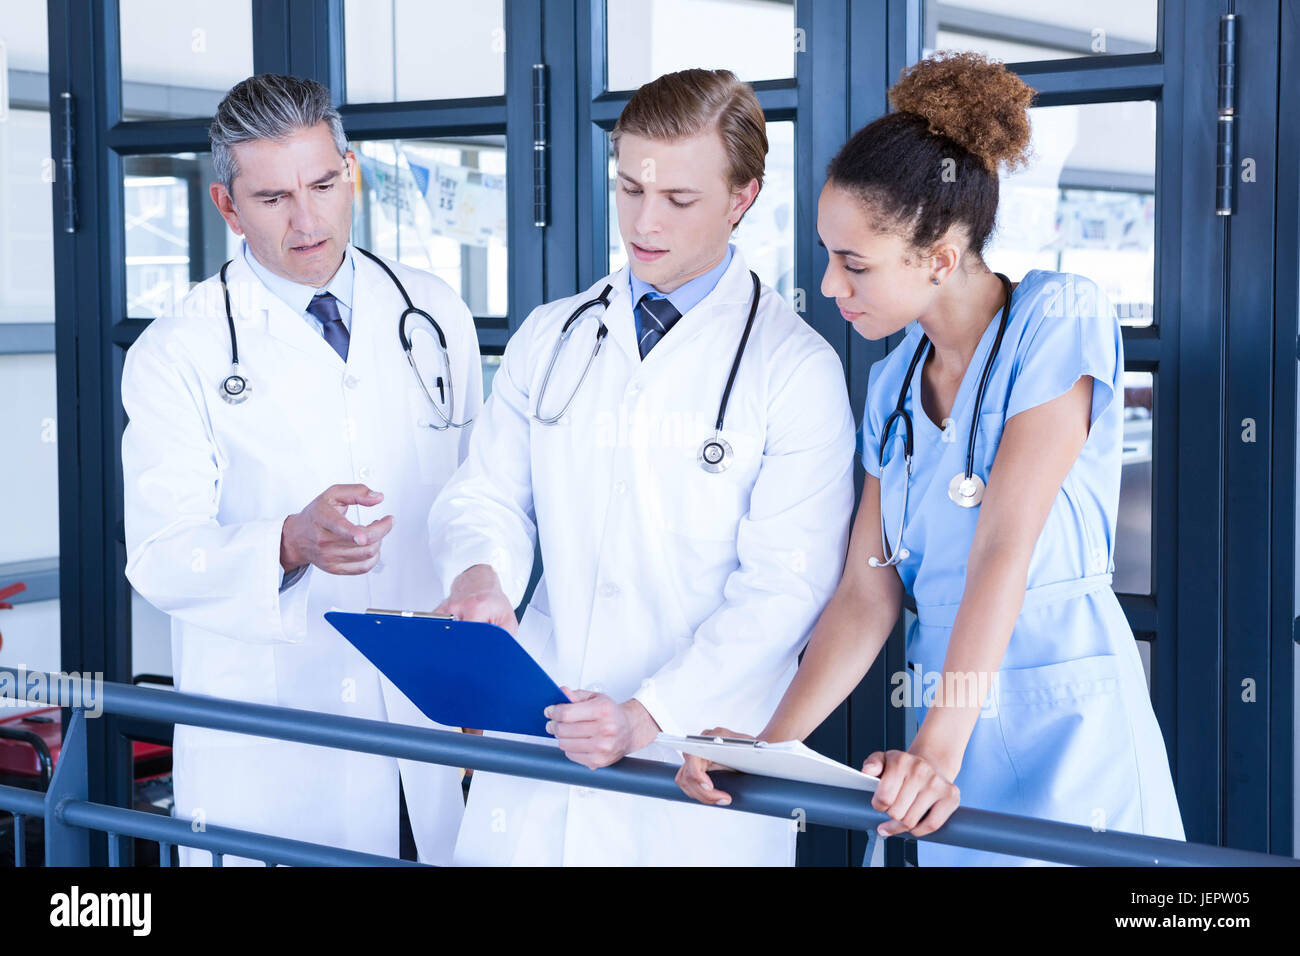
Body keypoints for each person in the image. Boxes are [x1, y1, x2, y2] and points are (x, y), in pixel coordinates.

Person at [675, 51, 1186, 866]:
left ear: (940, 259)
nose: (831, 286)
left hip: (1061, 721)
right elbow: (866, 592)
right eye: (829, 256)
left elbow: (1003, 546)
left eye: (855, 264)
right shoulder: (890, 386)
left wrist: (938, 752)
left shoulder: (1056, 319)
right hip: (946, 728)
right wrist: (769, 746)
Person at [428, 68, 856, 866]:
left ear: (742, 197)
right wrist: (482, 574)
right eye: (629, 189)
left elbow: (784, 588)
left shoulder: (794, 369)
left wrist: (648, 714)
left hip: (693, 761)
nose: (644, 221)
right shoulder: (551, 335)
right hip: (544, 735)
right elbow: (485, 493)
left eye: (679, 199)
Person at [121, 74, 483, 866]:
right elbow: (158, 556)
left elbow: (473, 498)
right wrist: (288, 541)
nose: (308, 219)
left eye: (323, 184)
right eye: (274, 198)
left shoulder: (432, 313)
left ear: (350, 171)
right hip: (276, 744)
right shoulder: (178, 351)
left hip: (425, 724)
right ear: (227, 206)